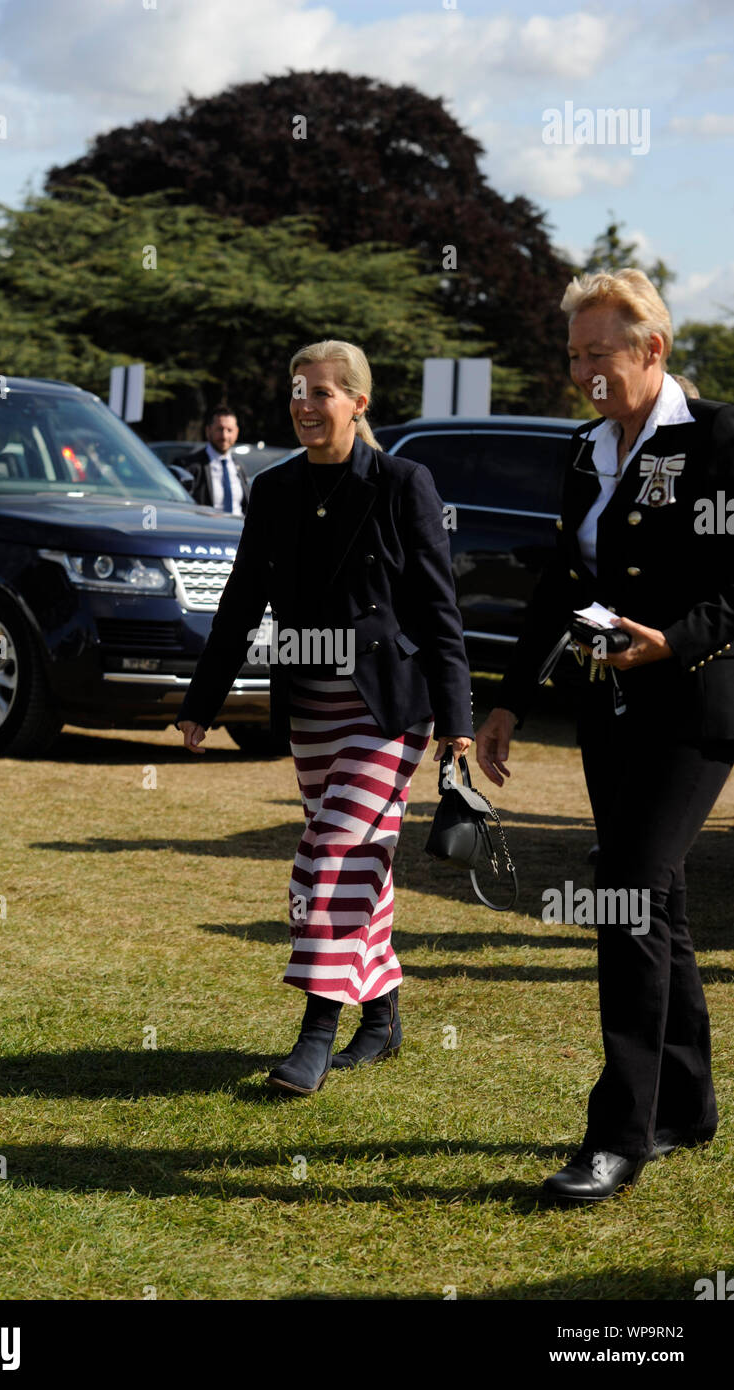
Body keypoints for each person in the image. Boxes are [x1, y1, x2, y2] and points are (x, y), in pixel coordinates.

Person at [476, 269, 734, 1202]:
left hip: (694, 705)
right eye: (573, 353)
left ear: (652, 350)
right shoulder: (585, 447)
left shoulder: (717, 439)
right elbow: (559, 583)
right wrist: (505, 701)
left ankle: (616, 1132)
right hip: (605, 707)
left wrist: (675, 640)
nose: (581, 369)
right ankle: (688, 1105)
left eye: (598, 354)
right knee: (652, 900)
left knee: (624, 893)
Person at [176, 340, 473, 1095]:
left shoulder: (403, 483)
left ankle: (316, 1030)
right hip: (309, 704)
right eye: (296, 391)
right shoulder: (272, 489)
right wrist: (201, 704)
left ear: (357, 402)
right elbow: (242, 600)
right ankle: (382, 1020)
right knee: (361, 855)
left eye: (321, 392)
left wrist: (456, 718)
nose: (305, 404)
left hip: (389, 707)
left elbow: (439, 609)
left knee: (333, 853)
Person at [184, 405, 250, 515]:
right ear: (208, 431)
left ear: (236, 432)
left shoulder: (239, 466)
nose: (224, 436)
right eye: (219, 429)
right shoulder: (191, 467)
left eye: (229, 430)